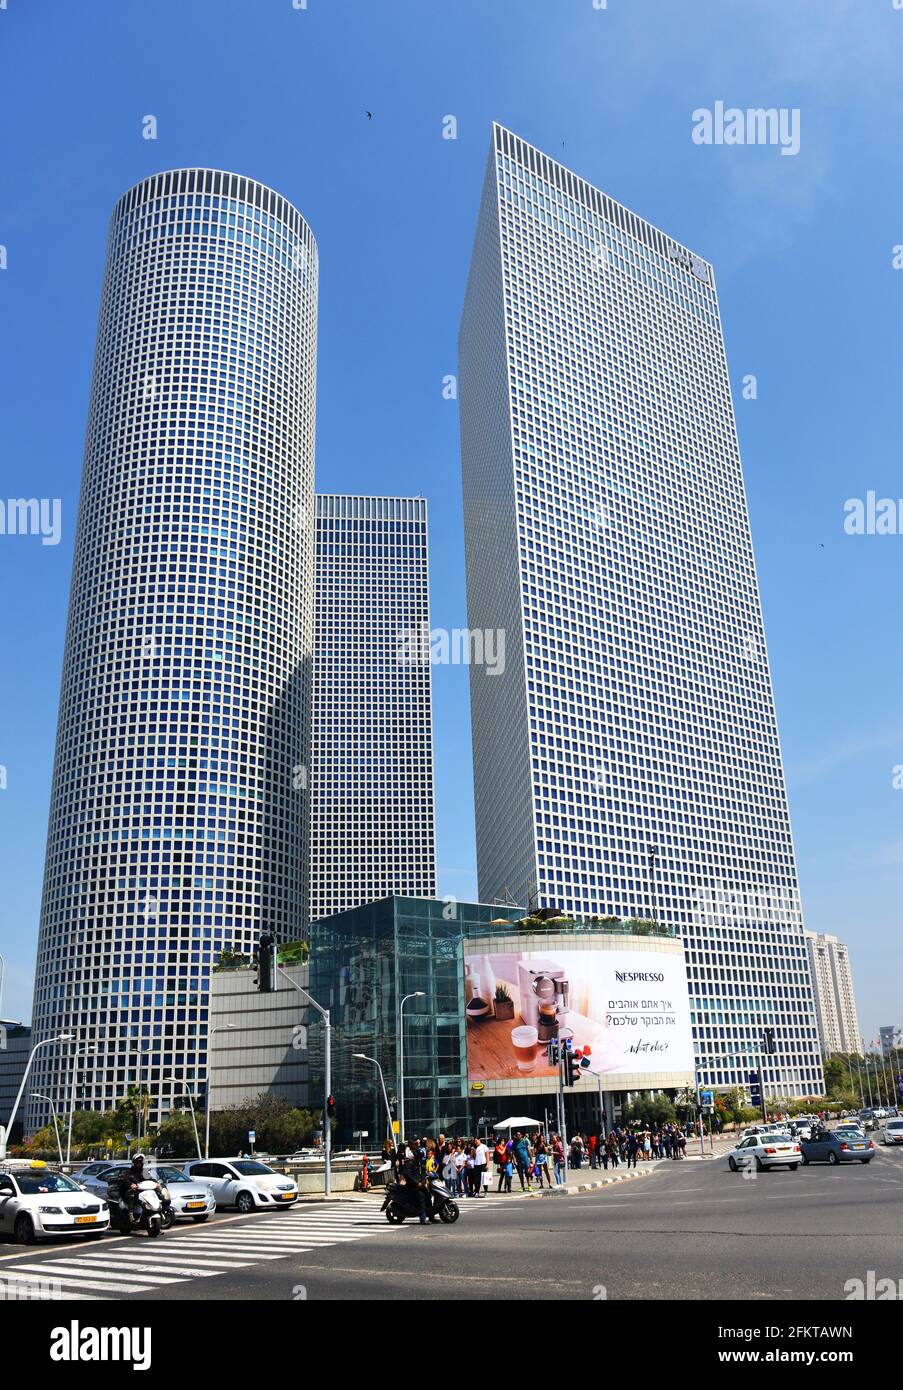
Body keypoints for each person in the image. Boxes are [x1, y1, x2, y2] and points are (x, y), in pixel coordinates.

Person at [399, 1140, 431, 1223]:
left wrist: (424, 1181)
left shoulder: (420, 1164)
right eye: (419, 1157)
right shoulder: (410, 1163)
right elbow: (408, 1175)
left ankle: (431, 1216)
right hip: (412, 1186)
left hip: (420, 1185)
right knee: (421, 1197)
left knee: (428, 1195)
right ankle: (423, 1218)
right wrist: (417, 1183)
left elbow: (423, 1173)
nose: (420, 1159)